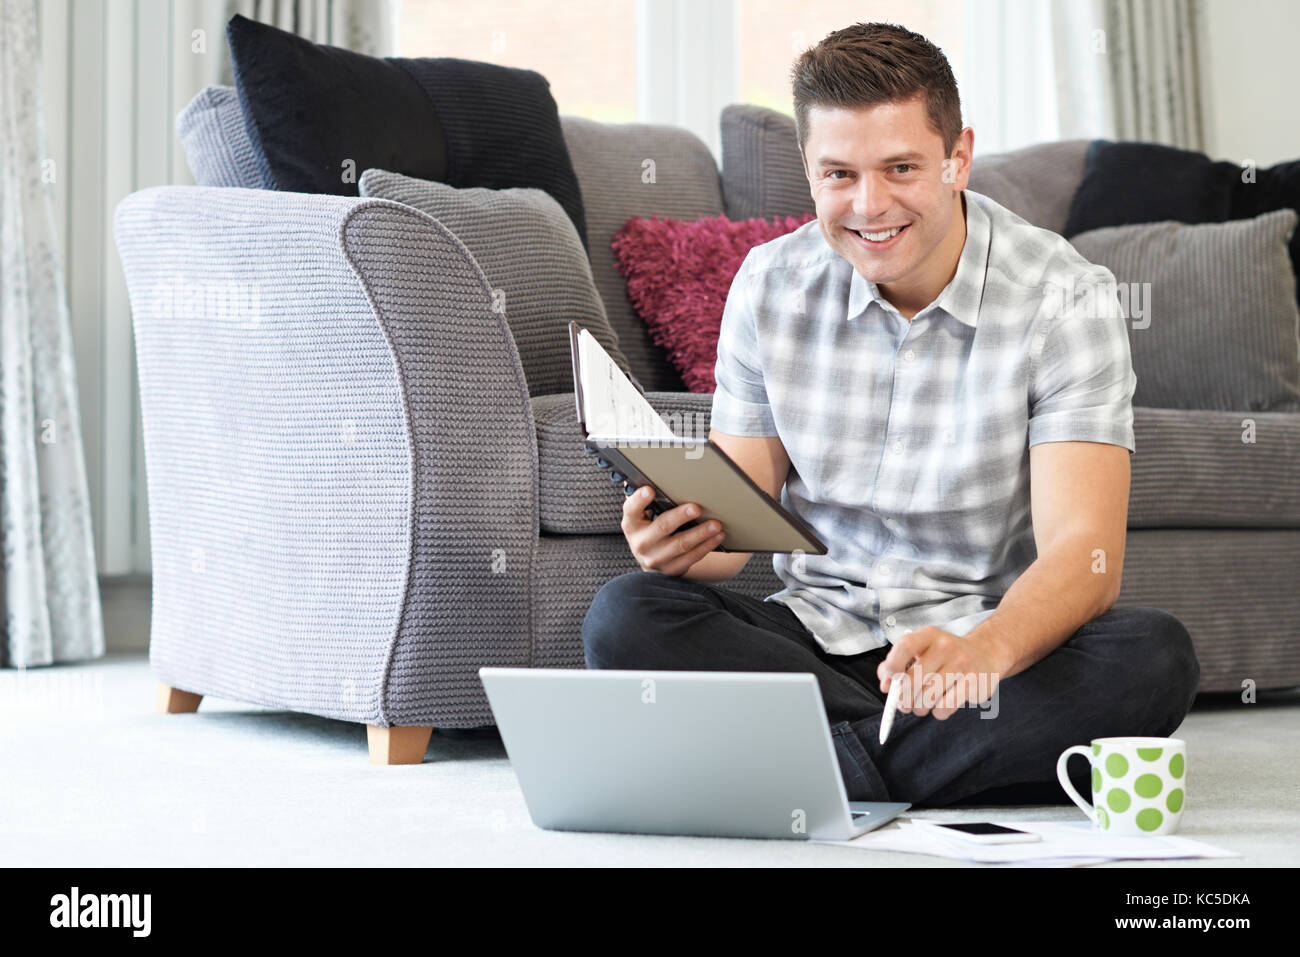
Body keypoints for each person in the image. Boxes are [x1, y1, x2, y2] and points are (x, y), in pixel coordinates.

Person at [582, 21, 1200, 807]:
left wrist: (983, 653)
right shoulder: (770, 285)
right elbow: (731, 539)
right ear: (808, 170)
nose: (870, 206)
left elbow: (1084, 555)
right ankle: (919, 761)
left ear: (958, 157)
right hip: (818, 634)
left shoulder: (1066, 296)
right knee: (625, 616)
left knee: (1152, 657)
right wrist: (676, 542)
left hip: (981, 647)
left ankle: (809, 764)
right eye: (838, 174)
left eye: (901, 167)